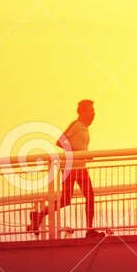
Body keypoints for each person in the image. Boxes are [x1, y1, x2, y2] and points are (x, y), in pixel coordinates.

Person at [28, 99, 104, 238]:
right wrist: (77, 152)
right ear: (83, 112)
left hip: (80, 167)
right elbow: (60, 141)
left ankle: (89, 229)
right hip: (71, 168)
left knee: (86, 197)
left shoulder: (85, 128)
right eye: (91, 110)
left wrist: (85, 155)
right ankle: (39, 215)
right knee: (67, 200)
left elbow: (79, 145)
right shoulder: (76, 125)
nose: (94, 113)